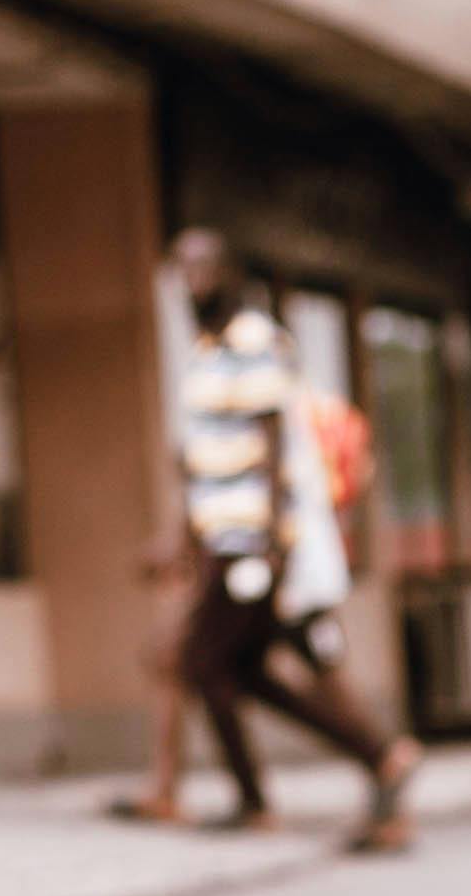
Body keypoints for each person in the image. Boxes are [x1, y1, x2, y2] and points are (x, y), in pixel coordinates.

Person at [162, 229, 421, 850]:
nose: (192, 281)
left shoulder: (254, 341)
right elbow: (207, 458)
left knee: (204, 664)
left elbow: (275, 441)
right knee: (241, 670)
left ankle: (271, 795)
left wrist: (271, 541)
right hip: (227, 540)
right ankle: (376, 756)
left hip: (253, 544)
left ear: (229, 272)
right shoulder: (207, 351)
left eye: (202, 268)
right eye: (182, 270)